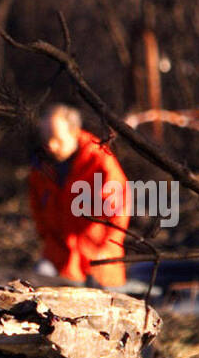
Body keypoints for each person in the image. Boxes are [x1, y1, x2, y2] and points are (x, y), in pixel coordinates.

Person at [27, 104, 130, 287]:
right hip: (58, 257)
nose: (51, 146)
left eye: (57, 139)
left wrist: (106, 250)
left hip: (97, 259)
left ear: (74, 132)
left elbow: (119, 210)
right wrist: (48, 241)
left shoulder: (99, 161)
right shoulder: (41, 167)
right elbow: (37, 208)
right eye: (47, 139)